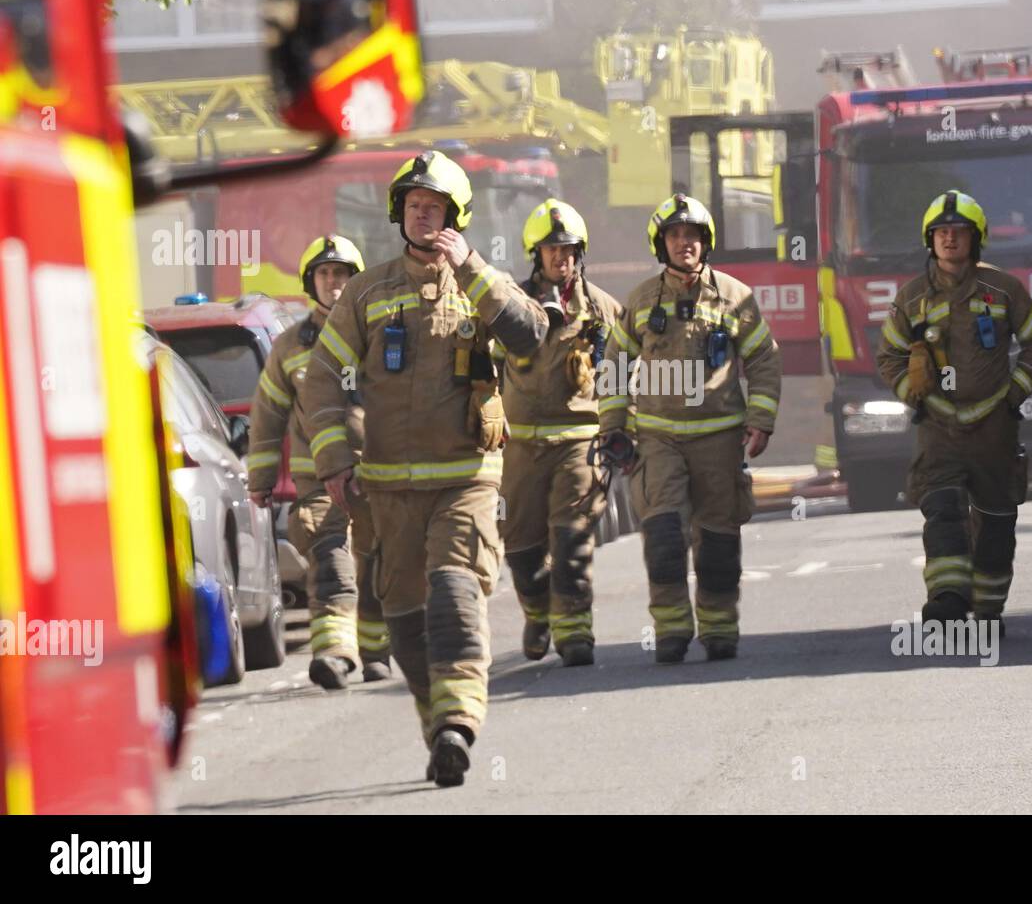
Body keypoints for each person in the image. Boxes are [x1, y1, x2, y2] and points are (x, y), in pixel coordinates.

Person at [299, 150, 547, 786]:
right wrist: (332, 457)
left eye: (433, 206)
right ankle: (439, 727)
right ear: (398, 214)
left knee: (456, 593)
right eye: (413, 205)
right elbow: (322, 375)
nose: (421, 214)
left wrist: (473, 270)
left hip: (465, 478)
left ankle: (461, 721)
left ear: (455, 216)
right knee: (405, 618)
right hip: (386, 492)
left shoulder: (481, 282)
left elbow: (530, 336)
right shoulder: (366, 291)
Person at [597, 193, 781, 663]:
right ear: (661, 245)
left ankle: (720, 628)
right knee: (662, 535)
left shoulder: (736, 298)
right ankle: (671, 628)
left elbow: (763, 359)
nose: (685, 244)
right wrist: (613, 428)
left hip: (720, 438)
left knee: (718, 539)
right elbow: (615, 364)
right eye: (676, 236)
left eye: (693, 236)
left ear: (706, 242)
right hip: (658, 439)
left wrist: (761, 420)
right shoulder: (641, 300)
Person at [874, 191, 1032, 631]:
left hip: (995, 426)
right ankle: (948, 598)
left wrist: (1014, 393)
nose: (950, 239)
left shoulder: (1003, 289)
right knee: (943, 509)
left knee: (996, 520)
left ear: (976, 239)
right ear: (929, 240)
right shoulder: (912, 298)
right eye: (941, 232)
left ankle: (989, 608)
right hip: (938, 427)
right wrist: (914, 393)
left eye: (958, 232)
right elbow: (888, 357)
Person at [247, 234, 391, 688]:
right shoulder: (290, 346)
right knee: (331, 562)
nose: (334, 282)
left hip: (379, 475)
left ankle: (375, 649)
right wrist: (261, 480)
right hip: (319, 482)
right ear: (312, 282)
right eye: (326, 274)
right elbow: (267, 418)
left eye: (342, 274)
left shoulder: (382, 333)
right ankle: (334, 652)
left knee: (376, 564)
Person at [497, 200, 623, 667]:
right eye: (551, 249)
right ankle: (538, 612)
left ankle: (575, 634)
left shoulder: (604, 310)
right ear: (536, 253)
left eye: (568, 249)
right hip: (520, 448)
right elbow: (478, 364)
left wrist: (623, 430)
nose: (560, 257)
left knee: (571, 542)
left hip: (579, 444)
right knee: (521, 549)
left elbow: (627, 372)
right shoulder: (510, 304)